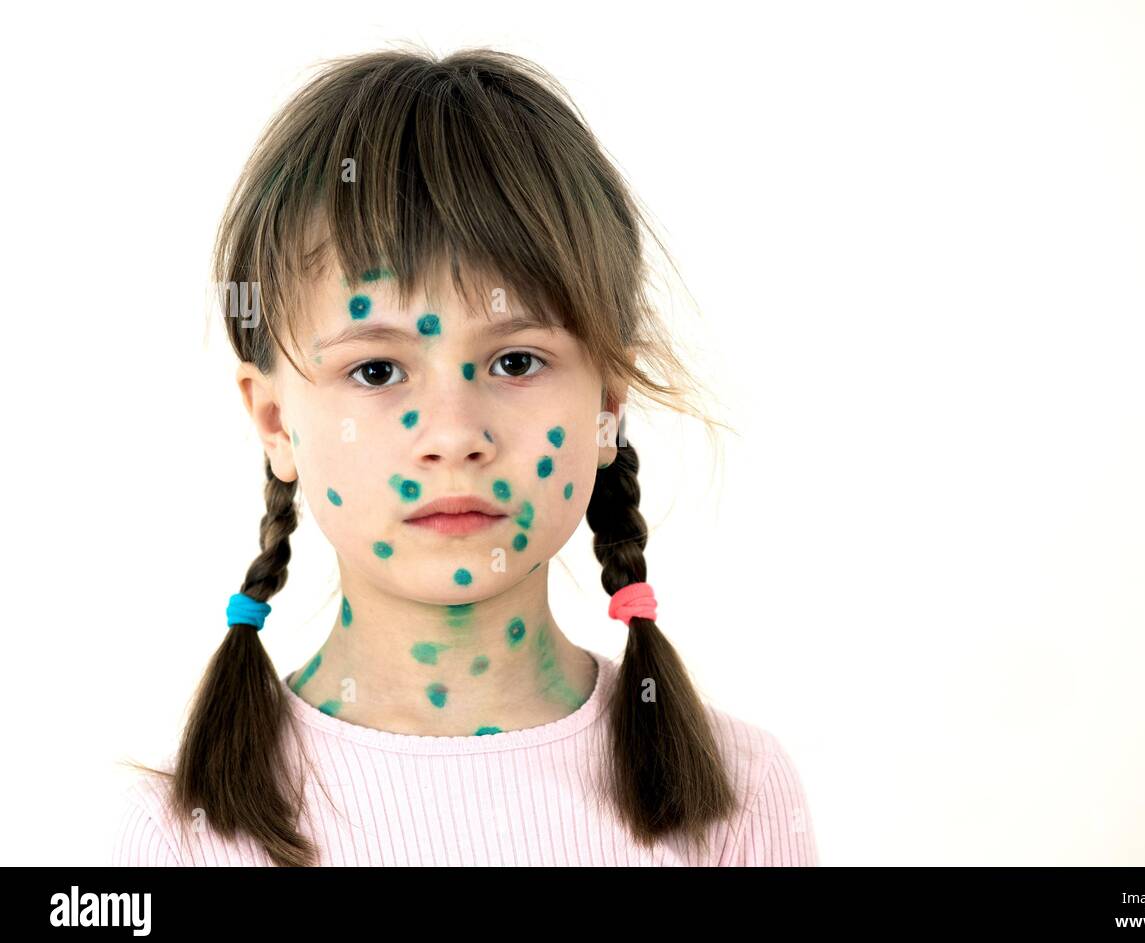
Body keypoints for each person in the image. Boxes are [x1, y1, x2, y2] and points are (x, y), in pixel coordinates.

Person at [111, 46, 817, 866]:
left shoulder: (738, 796)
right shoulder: (181, 836)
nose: (453, 434)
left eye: (516, 361)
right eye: (376, 370)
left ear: (607, 407)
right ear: (275, 421)